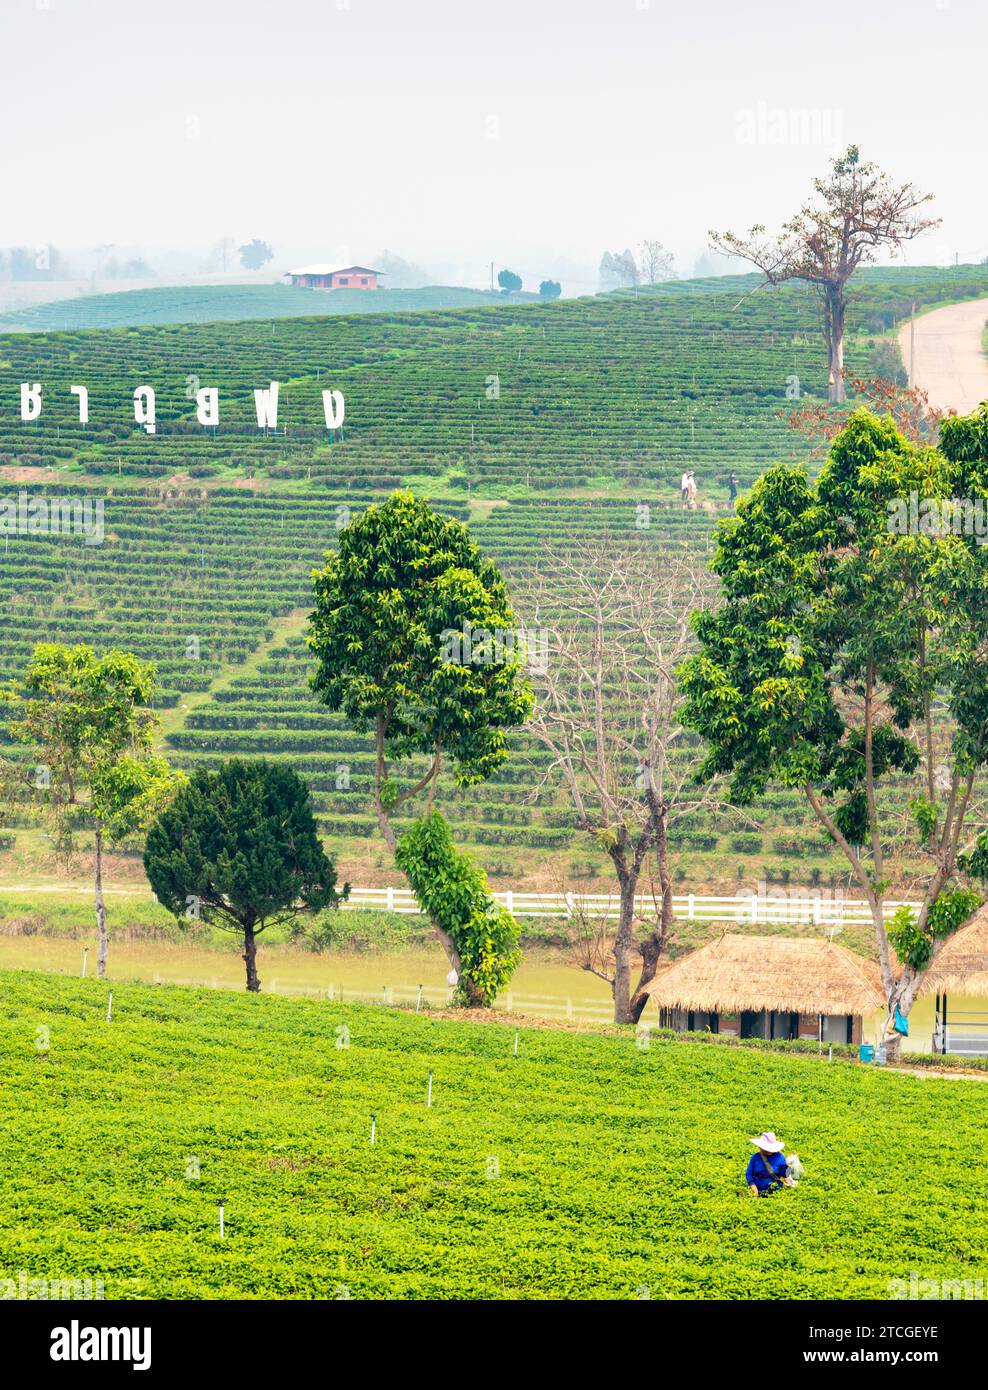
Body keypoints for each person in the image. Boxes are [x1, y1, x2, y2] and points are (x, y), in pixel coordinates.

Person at [745, 1131, 797, 1196]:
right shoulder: (755, 1157)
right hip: (756, 1189)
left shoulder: (780, 1157)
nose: (767, 1151)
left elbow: (784, 1175)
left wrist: (788, 1165)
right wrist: (753, 1186)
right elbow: (748, 1173)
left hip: (774, 1191)